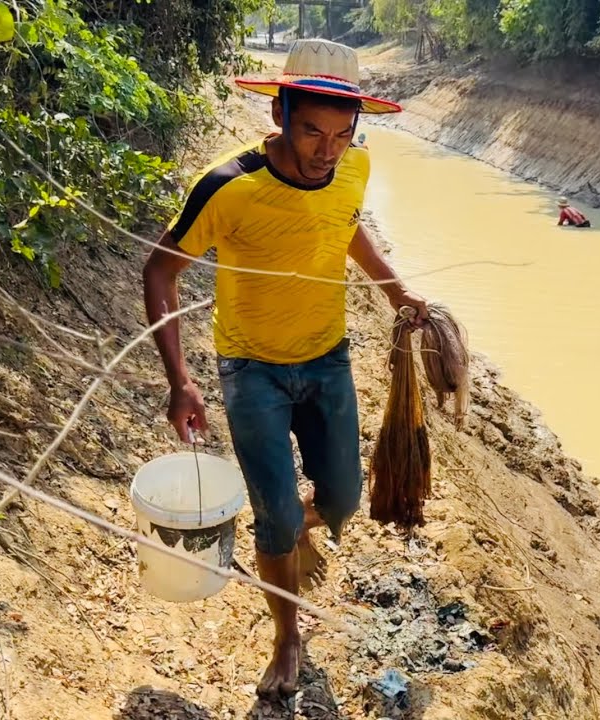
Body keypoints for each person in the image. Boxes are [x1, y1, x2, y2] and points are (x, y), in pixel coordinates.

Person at [142, 39, 428, 699]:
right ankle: (287, 635)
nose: (327, 150)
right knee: (272, 515)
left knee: (342, 500)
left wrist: (396, 292)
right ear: (279, 113)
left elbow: (346, 225)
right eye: (311, 132)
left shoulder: (354, 169)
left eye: (341, 134)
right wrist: (179, 379)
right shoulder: (228, 187)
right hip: (253, 372)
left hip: (327, 359)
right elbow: (161, 269)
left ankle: (295, 522)